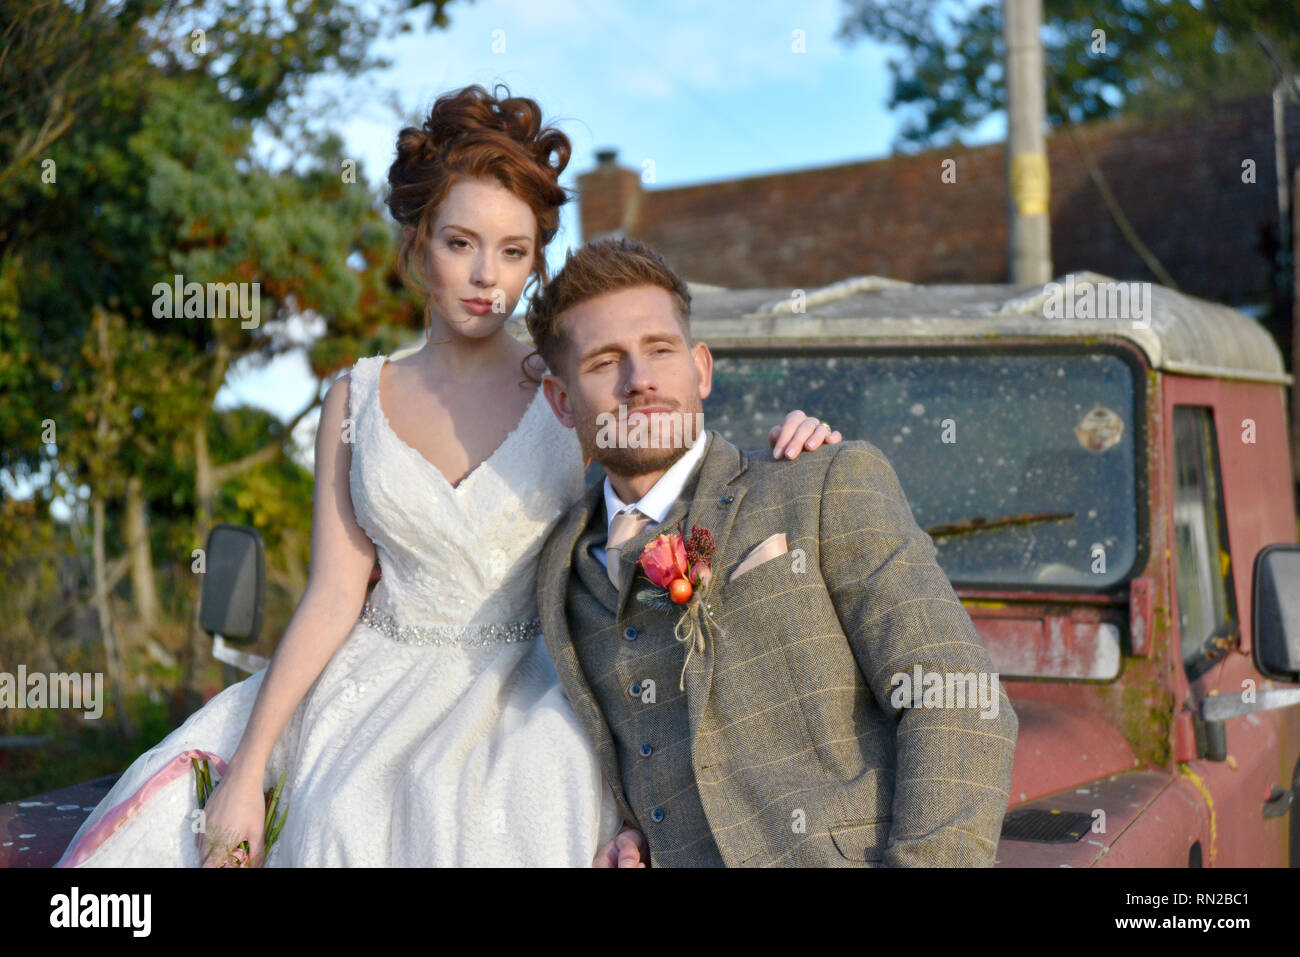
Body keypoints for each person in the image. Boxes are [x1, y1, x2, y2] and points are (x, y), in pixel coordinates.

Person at [55, 84, 839, 868]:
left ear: (535, 260)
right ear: (419, 238)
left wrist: (795, 448)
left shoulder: (568, 388)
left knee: (541, 790)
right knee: (333, 814)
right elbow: (332, 594)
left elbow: (684, 471)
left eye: (513, 251)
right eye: (461, 243)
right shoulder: (354, 397)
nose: (486, 277)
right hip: (374, 681)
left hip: (540, 681)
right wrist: (250, 766)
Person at [531, 236, 1020, 867]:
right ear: (562, 401)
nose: (641, 381)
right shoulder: (557, 569)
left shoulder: (820, 481)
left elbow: (954, 697)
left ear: (701, 368)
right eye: (604, 362)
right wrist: (629, 827)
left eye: (660, 349)